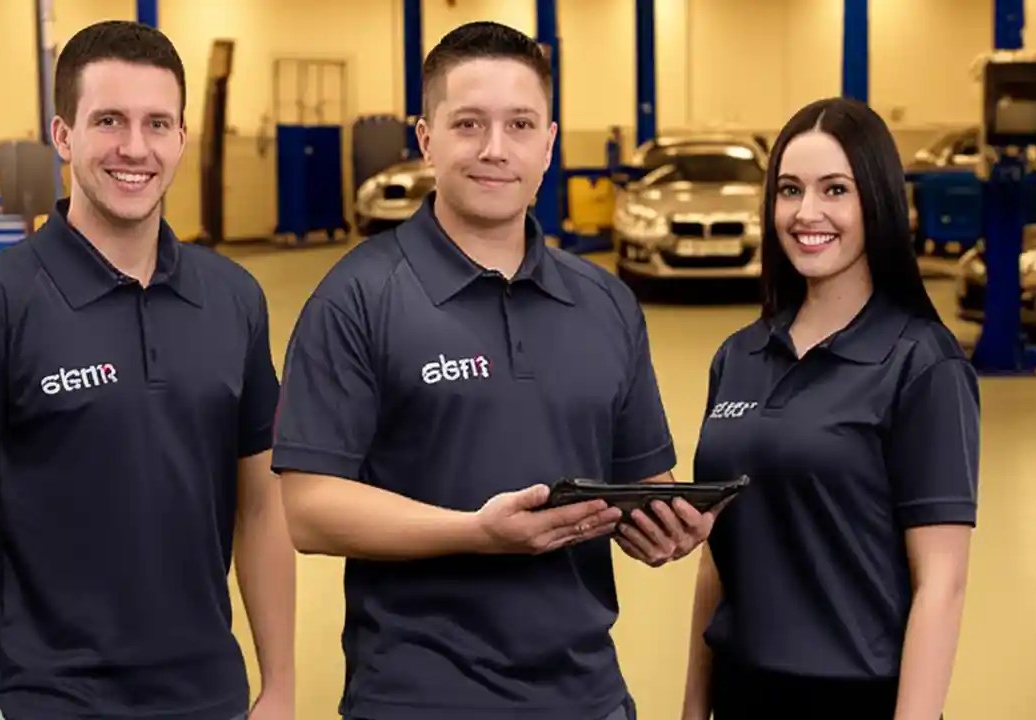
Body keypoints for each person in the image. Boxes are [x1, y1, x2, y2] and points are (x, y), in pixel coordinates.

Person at [271, 21, 716, 720]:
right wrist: (475, 533)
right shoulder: (358, 296)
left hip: (587, 695)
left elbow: (642, 480)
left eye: (520, 125)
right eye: (469, 124)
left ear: (549, 142)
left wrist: (666, 524)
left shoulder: (606, 303)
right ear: (426, 139)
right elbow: (309, 511)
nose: (495, 149)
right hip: (418, 697)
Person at [0, 21, 295, 720]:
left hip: (209, 698)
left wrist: (281, 689)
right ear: (63, 134)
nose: (134, 148)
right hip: (51, 700)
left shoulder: (234, 300)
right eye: (109, 120)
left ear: (182, 137)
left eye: (157, 123)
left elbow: (263, 506)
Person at [679, 97, 979, 720]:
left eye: (835, 189)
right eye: (790, 190)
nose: (806, 213)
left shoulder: (922, 363)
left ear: (876, 202)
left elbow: (941, 585)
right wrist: (692, 711)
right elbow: (717, 560)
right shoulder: (738, 356)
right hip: (741, 690)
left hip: (857, 697)